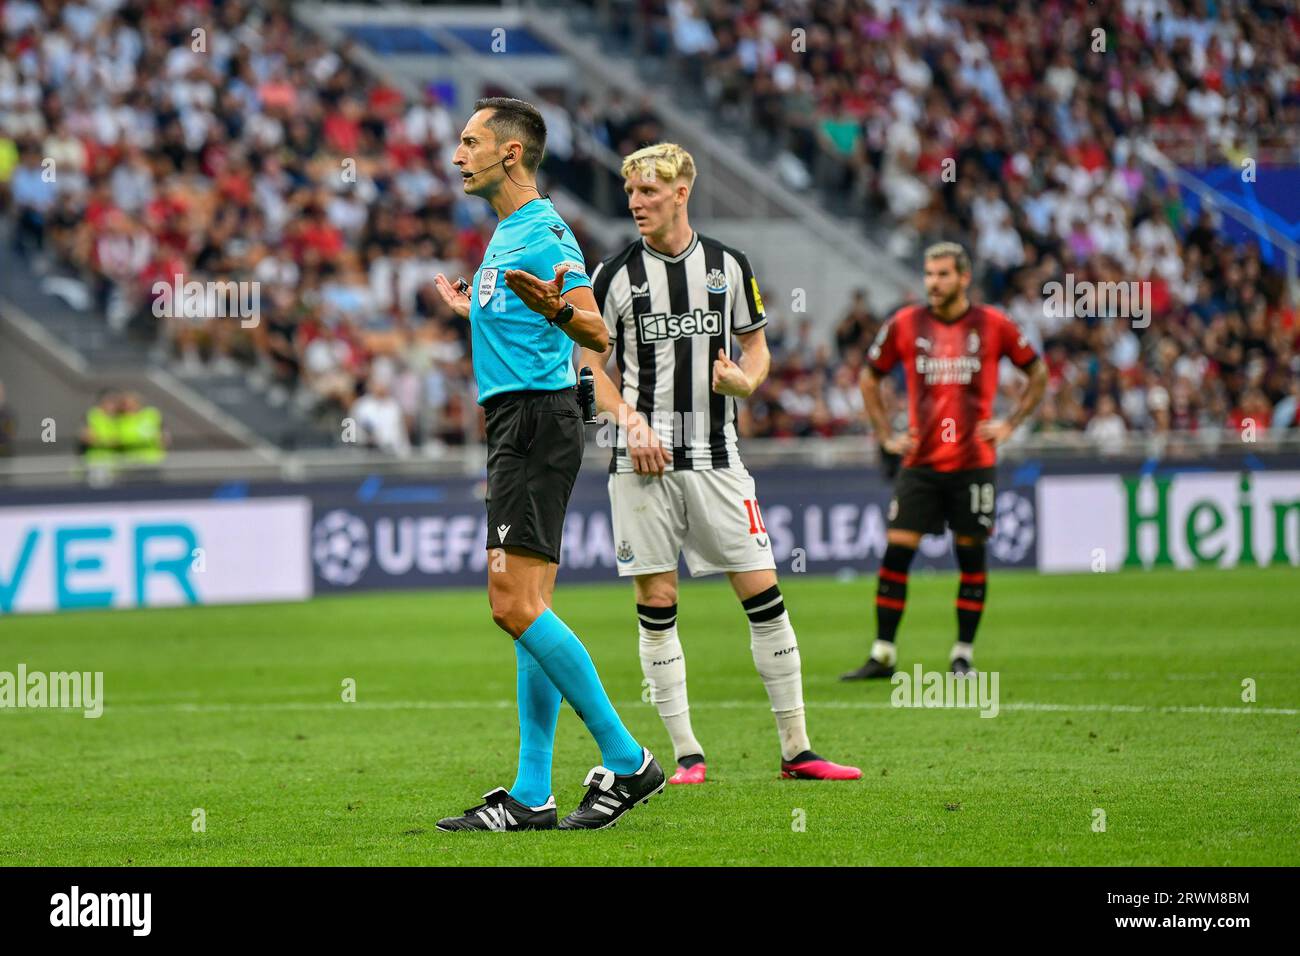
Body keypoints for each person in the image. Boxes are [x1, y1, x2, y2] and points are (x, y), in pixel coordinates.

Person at [580, 142, 861, 785]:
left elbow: (756, 349)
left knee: (764, 596)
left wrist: (747, 382)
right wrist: (628, 422)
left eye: (648, 192)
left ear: (682, 192)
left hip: (718, 457)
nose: (635, 203)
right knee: (657, 600)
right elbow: (589, 367)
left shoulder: (729, 267)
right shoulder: (613, 276)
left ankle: (797, 749)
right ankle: (686, 756)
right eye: (630, 194)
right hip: (639, 462)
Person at [431, 98, 664, 832]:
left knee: (511, 605)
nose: (457, 154)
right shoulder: (504, 237)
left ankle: (629, 762)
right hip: (520, 418)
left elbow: (593, 327)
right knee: (530, 610)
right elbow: (528, 320)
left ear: (510, 154)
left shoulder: (542, 230)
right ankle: (532, 795)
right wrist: (477, 312)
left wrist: (558, 310)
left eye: (470, 142)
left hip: (535, 421)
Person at [842, 242, 1047, 680]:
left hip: (974, 462)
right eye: (929, 274)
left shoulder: (994, 324)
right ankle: (882, 654)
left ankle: (962, 655)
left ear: (964, 277)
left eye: (942, 274)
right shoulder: (905, 323)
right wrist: (884, 434)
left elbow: (1037, 370)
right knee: (897, 552)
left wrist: (1010, 425)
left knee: (970, 557)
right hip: (920, 462)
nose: (932, 283)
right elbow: (868, 376)